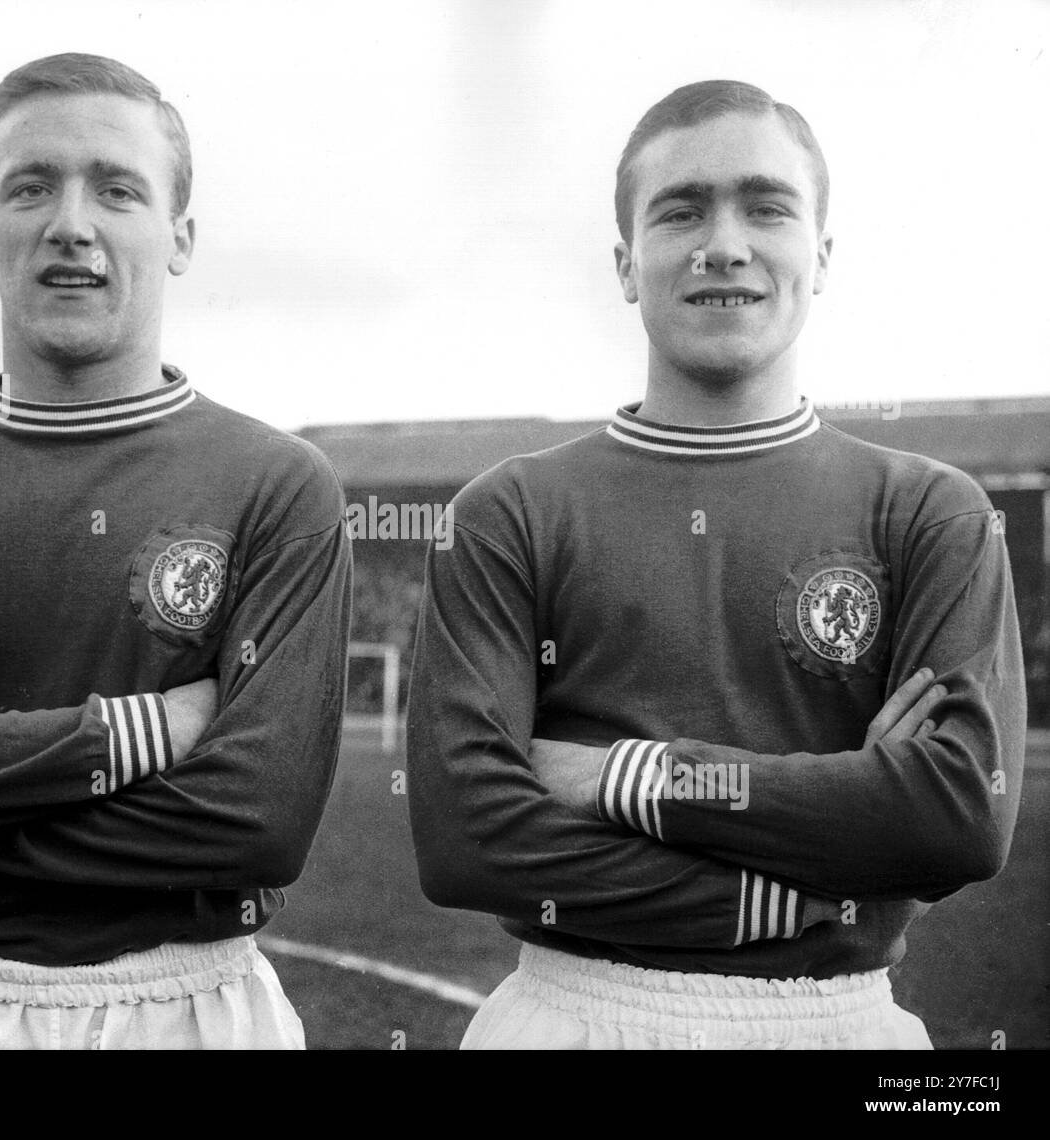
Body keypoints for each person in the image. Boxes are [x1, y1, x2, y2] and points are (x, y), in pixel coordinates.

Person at [405, 79, 1024, 1050]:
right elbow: (466, 841)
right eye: (681, 209)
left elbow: (953, 819)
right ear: (625, 261)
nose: (723, 242)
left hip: (843, 1027)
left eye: (765, 206)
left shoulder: (930, 511)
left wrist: (631, 780)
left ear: (818, 254)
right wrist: (830, 852)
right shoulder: (509, 512)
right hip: (572, 1018)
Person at [0, 52, 352, 1050]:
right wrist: (133, 735)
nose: (70, 222)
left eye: (117, 189)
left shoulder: (277, 483)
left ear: (178, 234)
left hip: (197, 1007)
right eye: (31, 185)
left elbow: (257, 822)